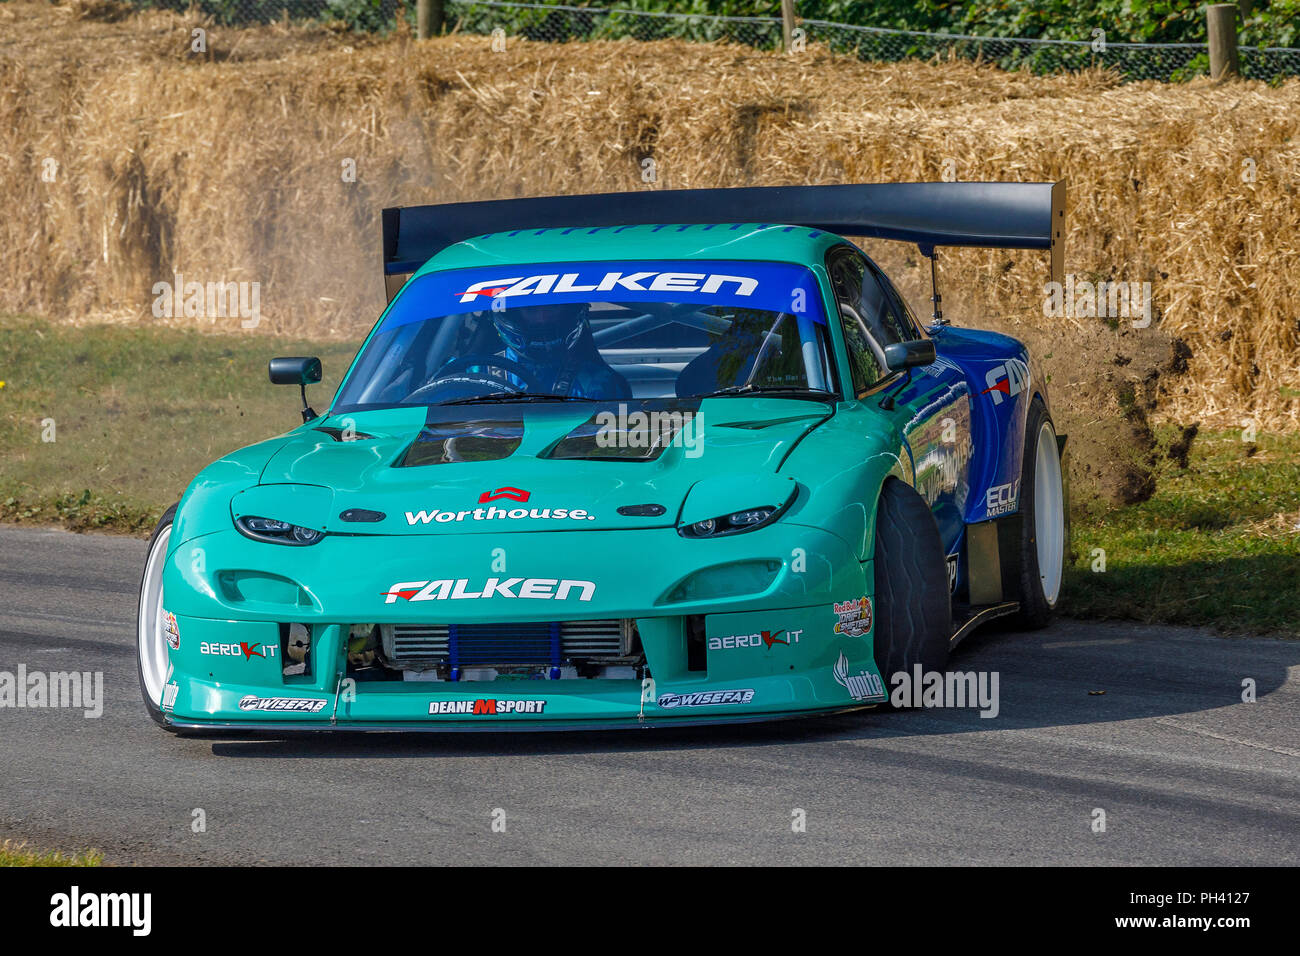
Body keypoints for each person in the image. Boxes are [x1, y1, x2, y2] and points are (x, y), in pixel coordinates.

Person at [491, 302, 631, 399]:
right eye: (531, 309)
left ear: (567, 311)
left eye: (552, 307)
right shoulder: (477, 371)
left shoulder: (598, 382)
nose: (542, 319)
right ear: (514, 314)